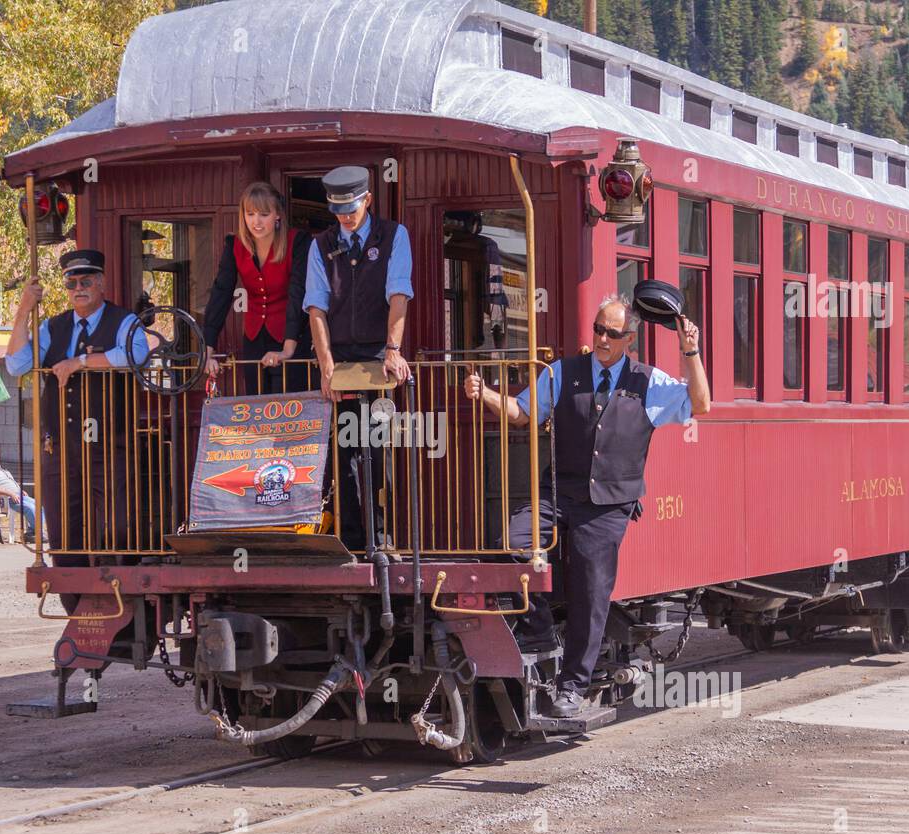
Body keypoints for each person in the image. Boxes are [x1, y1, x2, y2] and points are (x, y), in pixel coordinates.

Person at [463, 293, 711, 717]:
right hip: (560, 493)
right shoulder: (563, 372)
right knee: (511, 542)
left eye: (611, 333)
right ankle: (539, 631)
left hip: (610, 504)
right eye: (597, 329)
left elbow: (701, 404)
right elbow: (522, 412)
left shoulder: (648, 381)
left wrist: (690, 351)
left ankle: (572, 687)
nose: (600, 339)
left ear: (629, 338)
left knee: (591, 591)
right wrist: (484, 393)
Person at [5, 249, 150, 611]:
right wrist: (23, 309)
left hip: (109, 445)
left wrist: (81, 362)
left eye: (86, 281)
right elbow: (16, 363)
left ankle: (117, 604)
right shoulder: (53, 326)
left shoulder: (124, 320)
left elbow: (135, 356)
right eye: (71, 283)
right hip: (61, 449)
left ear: (101, 283)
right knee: (64, 533)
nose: (78, 289)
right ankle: (77, 609)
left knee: (115, 529)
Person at [304, 165, 413, 548]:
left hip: (377, 355)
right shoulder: (320, 245)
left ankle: (380, 538)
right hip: (342, 359)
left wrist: (394, 350)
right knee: (344, 451)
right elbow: (316, 308)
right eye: (338, 211)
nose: (346, 217)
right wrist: (326, 366)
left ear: (368, 199)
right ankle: (351, 540)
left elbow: (398, 293)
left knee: (378, 449)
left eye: (351, 208)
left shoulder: (394, 235)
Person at [202, 182, 311, 394]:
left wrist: (288, 349)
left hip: (291, 336)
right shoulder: (234, 245)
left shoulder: (297, 242)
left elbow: (299, 293)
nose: (256, 222)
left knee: (290, 408)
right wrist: (207, 348)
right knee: (256, 405)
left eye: (264, 214)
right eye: (250, 214)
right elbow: (221, 293)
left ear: (277, 215)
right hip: (253, 336)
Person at [0, 443, 44, 543]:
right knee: (30, 508)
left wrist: (19, 491)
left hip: (17, 495)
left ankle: (33, 532)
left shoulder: (0, 469)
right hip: (6, 499)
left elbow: (9, 483)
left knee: (39, 506)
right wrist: (11, 494)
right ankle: (37, 533)